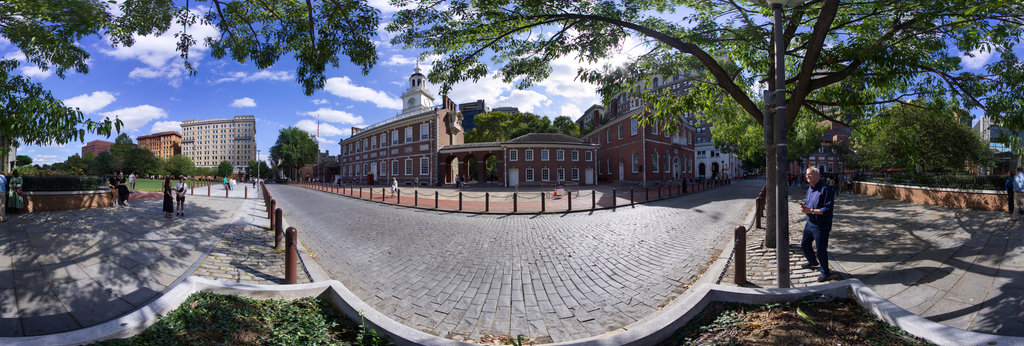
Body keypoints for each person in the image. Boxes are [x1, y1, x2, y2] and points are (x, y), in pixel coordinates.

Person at [799, 167, 835, 283]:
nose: (807, 176)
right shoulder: (810, 189)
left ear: (818, 176)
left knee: (821, 250)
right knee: (804, 244)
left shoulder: (826, 189)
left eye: (810, 174)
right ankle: (812, 261)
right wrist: (804, 207)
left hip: (821, 225)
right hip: (810, 223)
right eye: (806, 174)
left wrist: (812, 211)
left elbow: (827, 209)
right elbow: (808, 203)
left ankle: (825, 272)